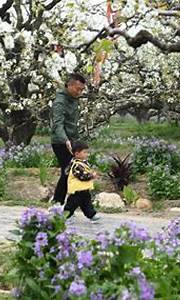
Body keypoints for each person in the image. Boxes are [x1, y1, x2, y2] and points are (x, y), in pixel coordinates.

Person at [50, 73, 86, 205]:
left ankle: (68, 204)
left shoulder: (73, 99)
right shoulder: (60, 102)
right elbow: (57, 124)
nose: (80, 92)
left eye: (82, 89)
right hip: (61, 142)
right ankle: (58, 203)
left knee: (74, 171)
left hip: (72, 140)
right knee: (69, 171)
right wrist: (66, 140)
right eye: (78, 89)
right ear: (69, 85)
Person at [64, 141, 100, 223]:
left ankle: (91, 214)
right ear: (77, 154)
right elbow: (82, 176)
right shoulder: (76, 165)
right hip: (77, 190)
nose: (87, 154)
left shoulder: (82, 163)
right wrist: (91, 176)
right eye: (84, 152)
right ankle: (66, 215)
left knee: (87, 203)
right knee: (72, 203)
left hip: (84, 189)